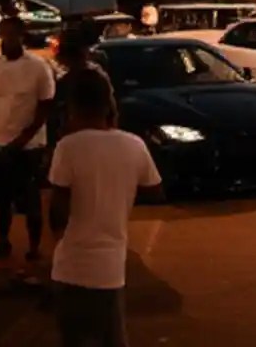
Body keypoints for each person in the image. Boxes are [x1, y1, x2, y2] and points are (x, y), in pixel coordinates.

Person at [49, 69, 162, 347]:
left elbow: (57, 211)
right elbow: (155, 190)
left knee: (76, 338)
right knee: (112, 336)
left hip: (72, 264)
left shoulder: (68, 146)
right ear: (109, 105)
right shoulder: (133, 145)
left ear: (73, 107)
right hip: (111, 266)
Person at [0, 16, 56, 274]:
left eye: (12, 35)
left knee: (31, 200)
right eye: (3, 34)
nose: (6, 40)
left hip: (29, 148)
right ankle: (3, 241)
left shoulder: (38, 67)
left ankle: (33, 247)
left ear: (22, 36)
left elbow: (45, 107)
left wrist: (23, 139)